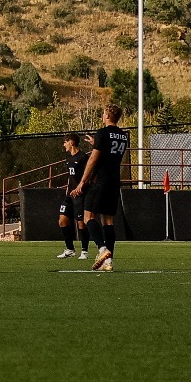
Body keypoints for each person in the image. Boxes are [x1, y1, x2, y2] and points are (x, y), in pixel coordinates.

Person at [71, 104, 131, 272]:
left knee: (88, 216)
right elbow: (109, 151)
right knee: (108, 221)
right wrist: (96, 143)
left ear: (107, 115)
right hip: (114, 180)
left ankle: (102, 249)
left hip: (100, 180)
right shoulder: (123, 136)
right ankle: (108, 261)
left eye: (103, 113)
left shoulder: (102, 132)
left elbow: (94, 159)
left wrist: (83, 182)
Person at [55, 134, 90, 260]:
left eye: (65, 142)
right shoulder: (68, 158)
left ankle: (84, 251)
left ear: (72, 142)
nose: (64, 145)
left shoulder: (83, 157)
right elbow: (70, 178)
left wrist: (80, 188)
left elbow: (88, 176)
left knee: (81, 224)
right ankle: (70, 249)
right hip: (69, 195)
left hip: (80, 195)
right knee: (62, 220)